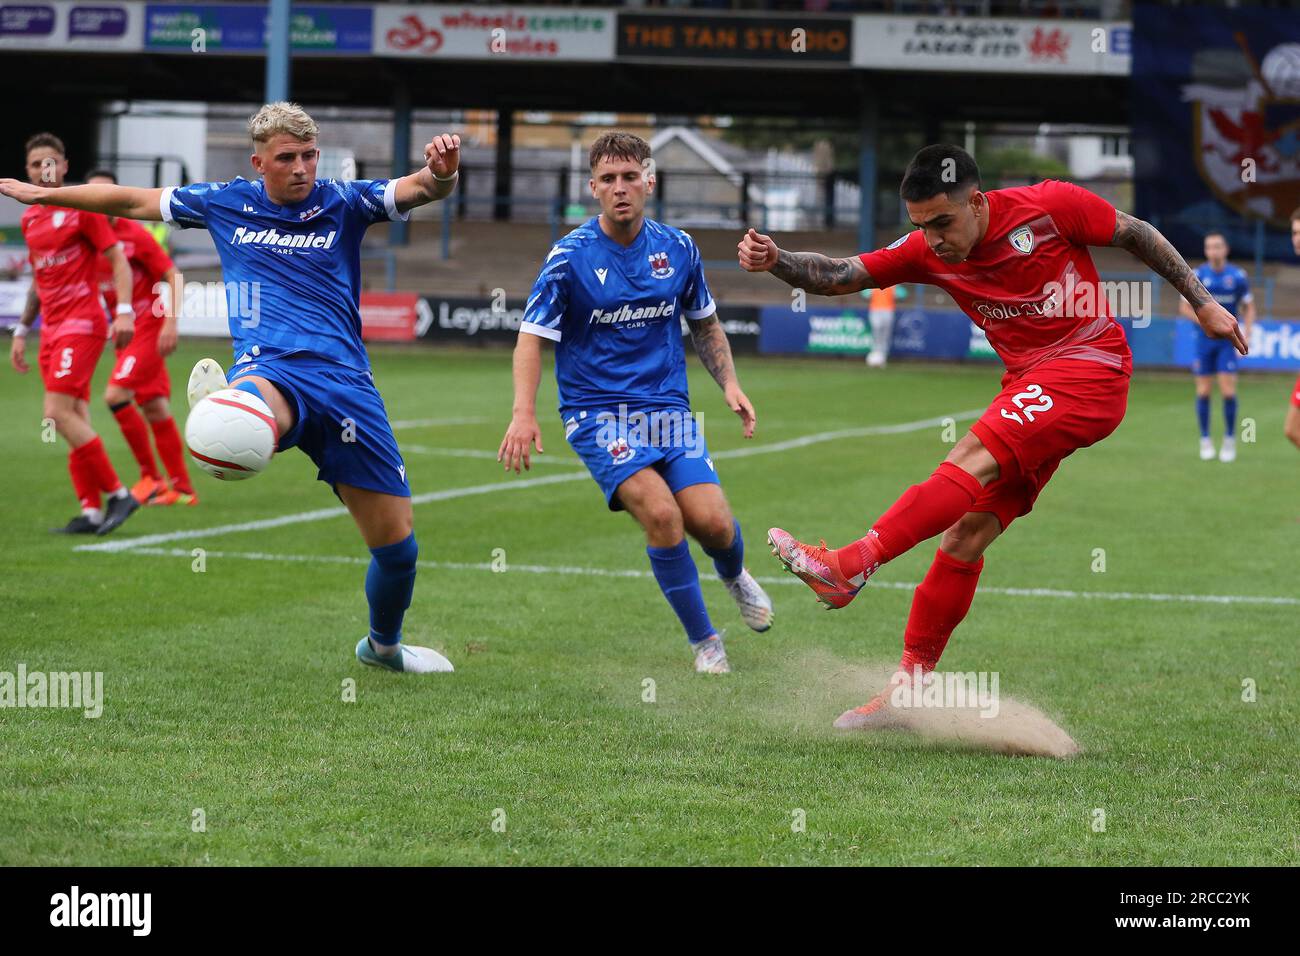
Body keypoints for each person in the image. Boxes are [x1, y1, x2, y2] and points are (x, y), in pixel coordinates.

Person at [738, 144, 1245, 728]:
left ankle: (850, 566)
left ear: (977, 201)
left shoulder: (1050, 205)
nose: (931, 239)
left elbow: (1136, 232)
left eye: (942, 222)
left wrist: (1202, 302)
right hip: (1031, 384)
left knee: (971, 454)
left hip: (1091, 367)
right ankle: (910, 692)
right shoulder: (926, 249)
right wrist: (776, 258)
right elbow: (842, 275)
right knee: (965, 535)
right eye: (920, 226)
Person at [1, 103, 462, 673]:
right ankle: (229, 411)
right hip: (272, 370)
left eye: (310, 156)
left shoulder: (343, 202)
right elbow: (130, 201)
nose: (302, 168)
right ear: (259, 162)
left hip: (347, 385)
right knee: (244, 420)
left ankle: (384, 648)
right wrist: (47, 194)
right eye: (287, 158)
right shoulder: (225, 201)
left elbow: (419, 189)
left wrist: (442, 173)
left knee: (398, 550)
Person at [499, 131, 773, 675]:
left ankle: (735, 575)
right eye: (608, 180)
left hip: (668, 410)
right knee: (664, 515)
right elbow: (531, 337)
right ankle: (706, 643)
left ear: (650, 181)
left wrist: (730, 385)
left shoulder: (679, 248)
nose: (620, 189)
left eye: (630, 177)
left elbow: (706, 323)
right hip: (597, 414)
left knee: (714, 525)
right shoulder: (568, 258)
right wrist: (522, 414)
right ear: (592, 188)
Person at [9, 133, 139, 535]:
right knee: (75, 415)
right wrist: (20, 330)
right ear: (27, 171)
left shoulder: (83, 208)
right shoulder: (29, 218)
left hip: (82, 324)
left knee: (57, 413)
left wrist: (123, 310)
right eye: (35, 165)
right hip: (50, 329)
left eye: (51, 162)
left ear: (64, 166)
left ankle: (119, 494)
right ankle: (91, 511)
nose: (43, 170)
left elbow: (117, 258)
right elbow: (37, 279)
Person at [85, 169, 195, 504]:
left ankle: (151, 478)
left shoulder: (135, 234)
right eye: (92, 196)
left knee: (115, 395)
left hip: (148, 327)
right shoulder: (86, 237)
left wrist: (170, 324)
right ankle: (182, 489)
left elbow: (173, 276)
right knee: (156, 409)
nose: (99, 203)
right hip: (124, 333)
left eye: (106, 195)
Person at [1178, 231, 1254, 462]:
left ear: (1226, 249)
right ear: (1205, 251)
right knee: (1203, 392)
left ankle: (1230, 439)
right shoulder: (1198, 276)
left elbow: (1249, 307)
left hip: (1226, 344)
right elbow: (1184, 308)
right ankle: (1205, 439)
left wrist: (1247, 333)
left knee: (1228, 392)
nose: (1214, 251)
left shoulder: (1238, 277)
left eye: (1218, 246)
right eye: (1210, 247)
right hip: (1204, 342)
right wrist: (1207, 321)